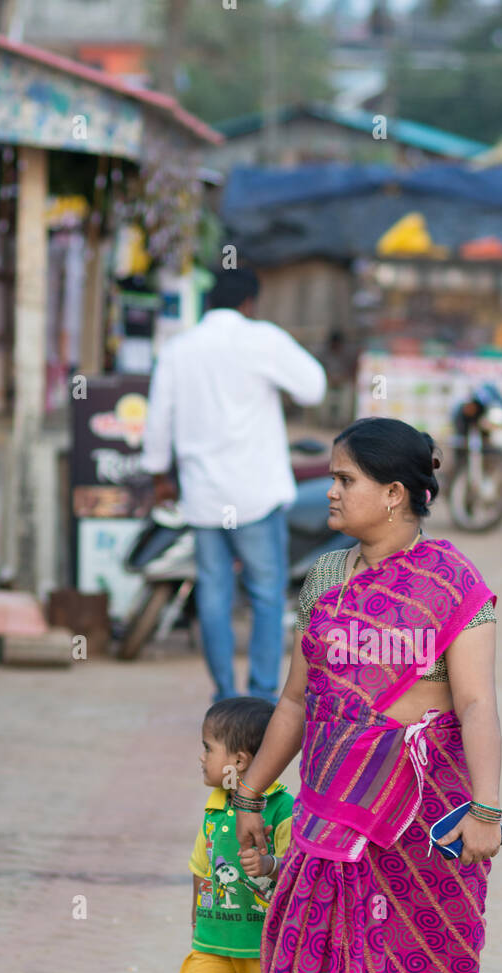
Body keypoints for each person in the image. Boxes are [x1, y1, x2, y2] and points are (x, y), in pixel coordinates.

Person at [222, 417, 502, 973]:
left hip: (423, 812)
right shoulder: (324, 578)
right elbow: (292, 703)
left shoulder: (454, 583)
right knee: (309, 958)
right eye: (333, 477)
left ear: (395, 493)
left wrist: (486, 810)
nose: (331, 490)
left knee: (434, 956)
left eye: (345, 479)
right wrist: (249, 792)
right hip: (333, 807)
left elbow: (475, 703)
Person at [140, 268, 327, 702]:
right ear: (249, 304)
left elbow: (157, 420)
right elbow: (314, 388)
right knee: (266, 598)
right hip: (256, 494)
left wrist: (158, 476)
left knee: (214, 596)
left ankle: (224, 693)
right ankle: (260, 696)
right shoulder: (262, 339)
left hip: (204, 497)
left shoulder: (179, 349)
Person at [164, 697, 294, 973]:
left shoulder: (281, 808)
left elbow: (297, 872)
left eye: (208, 747)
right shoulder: (214, 806)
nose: (201, 757)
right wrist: (195, 915)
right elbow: (201, 866)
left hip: (262, 947)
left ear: (238, 760)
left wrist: (271, 867)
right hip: (212, 942)